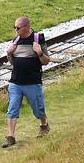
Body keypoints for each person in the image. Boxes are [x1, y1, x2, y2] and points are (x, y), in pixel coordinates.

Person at [4, 16, 51, 147]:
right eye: (14, 27)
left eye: (17, 28)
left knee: (38, 110)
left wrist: (40, 53)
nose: (15, 30)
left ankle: (44, 124)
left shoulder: (38, 39)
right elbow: (13, 62)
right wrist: (9, 54)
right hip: (15, 82)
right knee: (12, 109)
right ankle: (11, 136)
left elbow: (46, 61)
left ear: (27, 27)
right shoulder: (16, 40)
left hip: (32, 82)